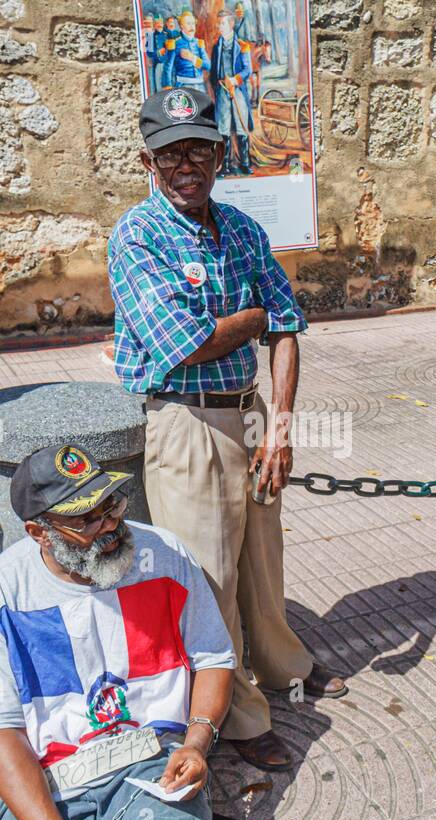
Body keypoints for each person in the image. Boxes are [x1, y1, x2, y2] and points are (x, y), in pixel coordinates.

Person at [107, 88, 347, 773]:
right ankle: (237, 715)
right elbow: (182, 343)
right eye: (171, 151)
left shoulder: (240, 229)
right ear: (147, 161)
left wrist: (282, 429)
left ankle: (283, 665)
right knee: (208, 573)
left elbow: (291, 326)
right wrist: (251, 318)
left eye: (200, 148)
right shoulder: (137, 236)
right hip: (184, 422)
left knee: (262, 560)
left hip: (248, 412)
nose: (188, 163)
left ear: (220, 154)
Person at [0, 443, 234, 820]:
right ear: (38, 533)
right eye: (85, 520)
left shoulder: (164, 554)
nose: (109, 526)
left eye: (111, 505)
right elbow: (0, 734)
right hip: (47, 780)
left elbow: (213, 658)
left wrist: (197, 743)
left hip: (150, 763)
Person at [211, 9, 252, 176]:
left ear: (231, 24)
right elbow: (214, 70)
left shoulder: (242, 46)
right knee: (223, 128)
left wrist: (234, 81)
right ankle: (224, 165)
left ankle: (245, 163)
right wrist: (219, 84)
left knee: (242, 127)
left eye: (222, 23)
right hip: (222, 91)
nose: (219, 26)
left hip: (238, 91)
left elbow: (247, 70)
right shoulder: (216, 46)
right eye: (219, 23)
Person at [162, 10, 209, 92]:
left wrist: (192, 58)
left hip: (200, 86)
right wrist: (167, 87)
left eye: (193, 23)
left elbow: (208, 66)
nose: (192, 27)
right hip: (183, 86)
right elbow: (168, 67)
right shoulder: (175, 44)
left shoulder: (199, 43)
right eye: (188, 23)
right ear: (181, 26)